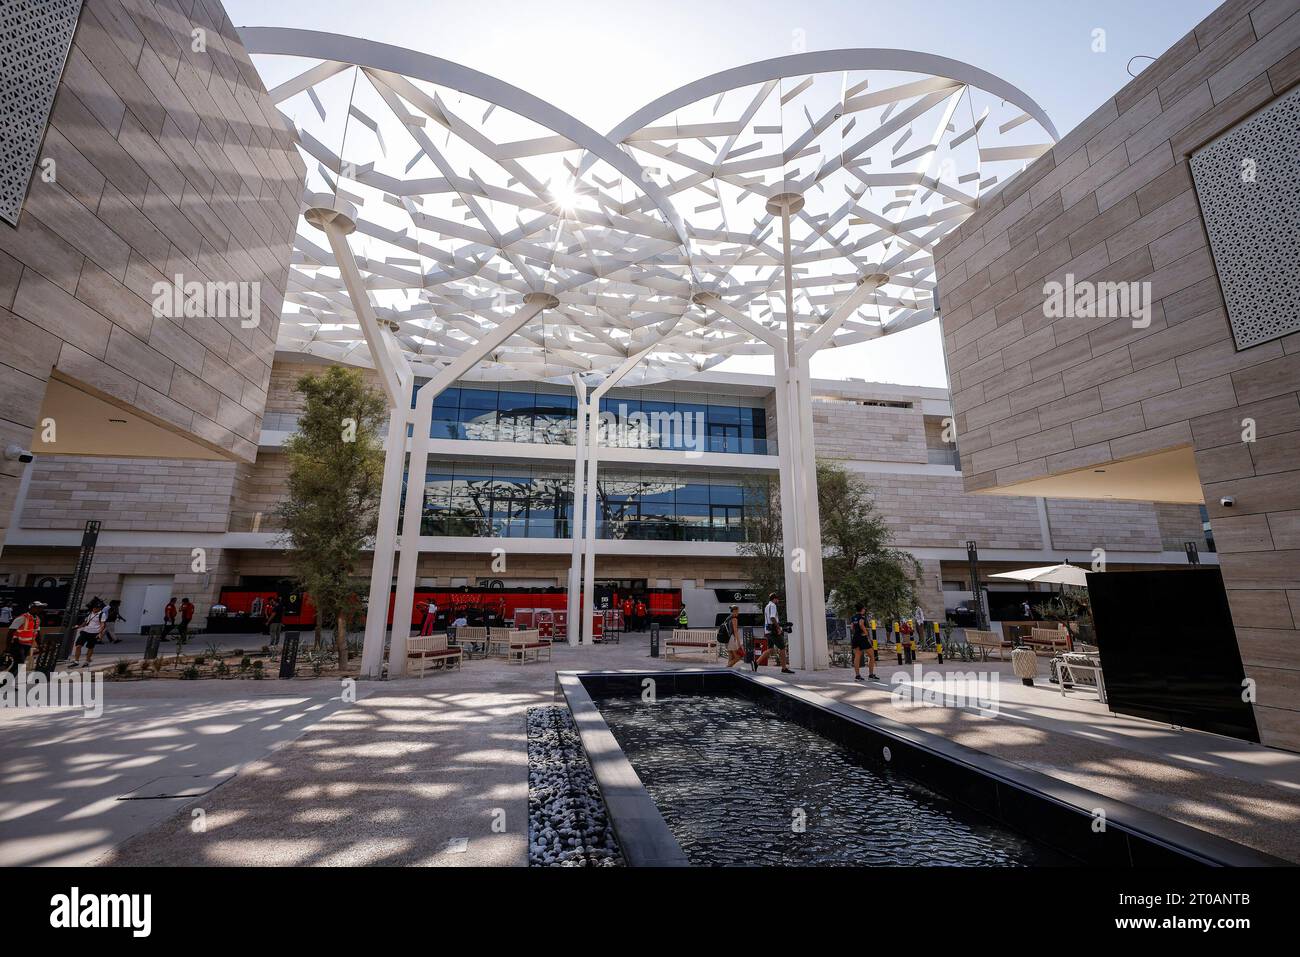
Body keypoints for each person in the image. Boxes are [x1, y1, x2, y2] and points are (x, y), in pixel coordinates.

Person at [759, 592, 793, 674]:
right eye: (777, 599)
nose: (778, 600)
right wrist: (778, 628)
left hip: (767, 630)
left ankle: (756, 663)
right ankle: (784, 668)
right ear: (774, 599)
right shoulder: (773, 606)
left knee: (770, 649)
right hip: (773, 631)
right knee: (782, 648)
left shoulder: (767, 606)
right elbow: (772, 617)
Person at [69, 598, 108, 669]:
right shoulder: (89, 613)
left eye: (96, 608)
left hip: (94, 633)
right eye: (93, 607)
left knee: (90, 647)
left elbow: (102, 624)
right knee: (78, 645)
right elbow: (85, 622)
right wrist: (78, 627)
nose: (94, 609)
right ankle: (76, 661)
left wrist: (99, 633)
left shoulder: (102, 615)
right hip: (85, 631)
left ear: (99, 608)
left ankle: (87, 661)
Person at [6, 601, 43, 673]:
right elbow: (10, 633)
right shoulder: (22, 618)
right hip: (17, 644)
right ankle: (6, 681)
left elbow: (37, 633)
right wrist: (7, 647)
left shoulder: (37, 620)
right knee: (19, 663)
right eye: (37, 607)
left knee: (18, 664)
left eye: (40, 608)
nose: (40, 609)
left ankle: (7, 681)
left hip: (27, 645)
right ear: (31, 608)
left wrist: (40, 645)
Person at [850, 603, 877, 681]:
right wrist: (866, 633)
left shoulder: (853, 617)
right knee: (872, 655)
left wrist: (857, 632)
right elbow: (861, 624)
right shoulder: (862, 617)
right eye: (864, 609)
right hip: (862, 638)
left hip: (855, 637)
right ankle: (871, 675)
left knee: (857, 656)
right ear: (862, 609)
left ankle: (857, 676)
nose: (865, 610)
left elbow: (852, 627)